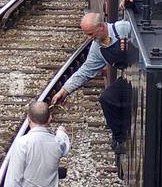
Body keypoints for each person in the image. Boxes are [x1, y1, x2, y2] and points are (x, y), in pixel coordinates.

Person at [51, 12, 134, 151]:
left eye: (91, 34)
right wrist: (64, 90)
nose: (89, 38)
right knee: (106, 99)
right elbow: (85, 70)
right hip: (128, 77)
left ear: (101, 27)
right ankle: (120, 138)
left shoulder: (123, 28)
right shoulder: (97, 48)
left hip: (140, 69)